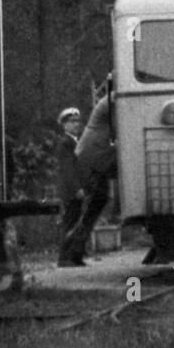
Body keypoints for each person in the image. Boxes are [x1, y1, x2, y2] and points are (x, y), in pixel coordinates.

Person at [62, 81, 116, 265]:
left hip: (98, 161)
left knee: (94, 207)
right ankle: (69, 252)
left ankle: (74, 252)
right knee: (88, 210)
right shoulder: (112, 101)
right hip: (92, 161)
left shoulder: (109, 101)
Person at [54, 107, 86, 267]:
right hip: (70, 190)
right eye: (72, 122)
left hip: (76, 188)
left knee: (76, 221)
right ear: (64, 125)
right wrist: (77, 188)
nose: (76, 125)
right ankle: (64, 257)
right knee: (70, 222)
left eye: (77, 121)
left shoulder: (76, 141)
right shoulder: (65, 143)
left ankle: (74, 256)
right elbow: (68, 169)